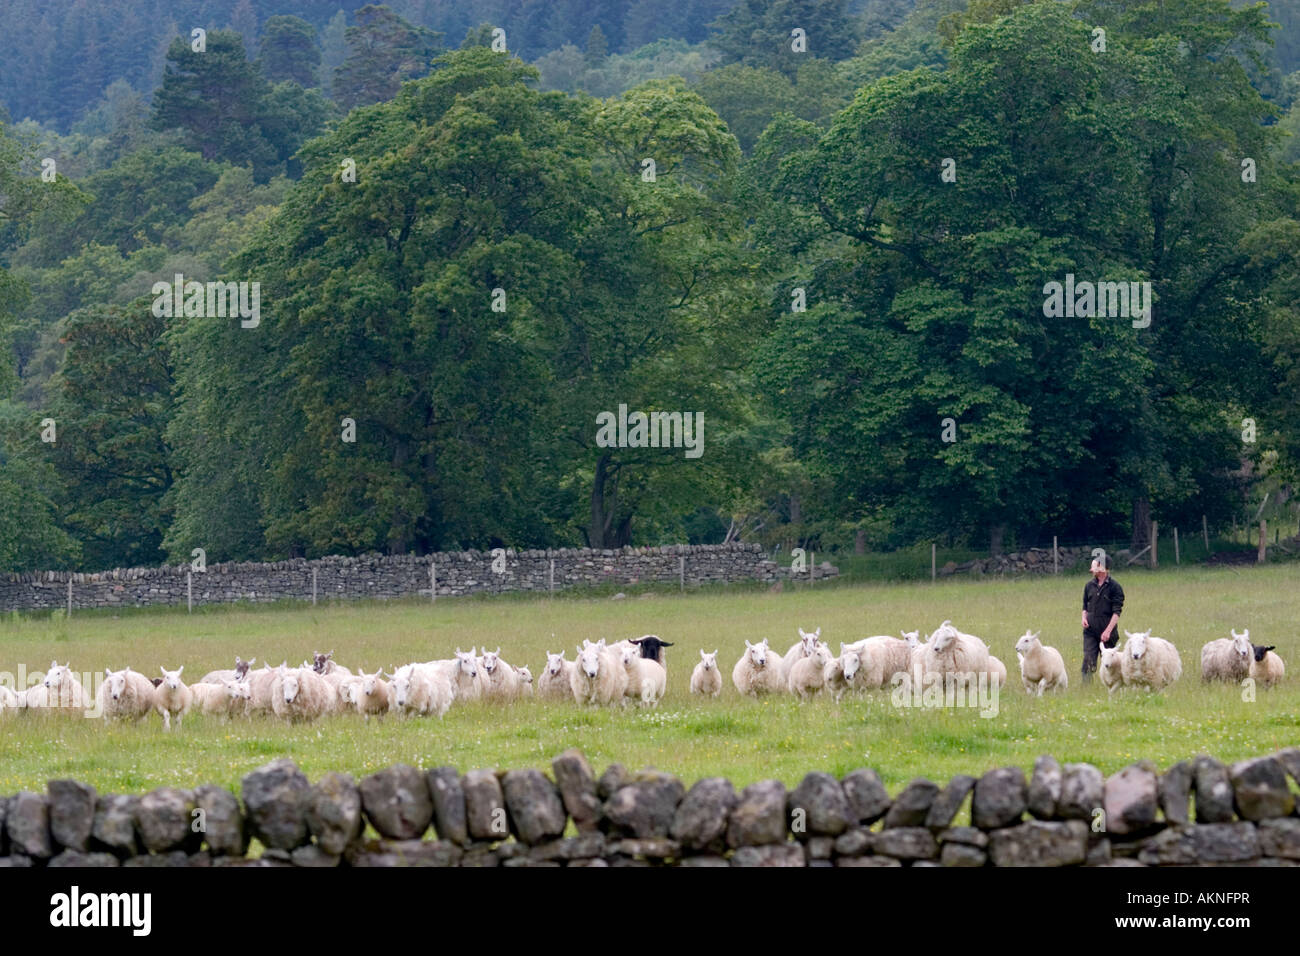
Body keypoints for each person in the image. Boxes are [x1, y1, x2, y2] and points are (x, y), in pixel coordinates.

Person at [1081, 555, 1124, 682]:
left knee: (1110, 663)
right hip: (1090, 631)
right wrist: (1084, 618)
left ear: (1102, 568)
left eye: (1093, 566)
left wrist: (1108, 631)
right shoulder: (1089, 586)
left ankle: (1114, 686)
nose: (1091, 569)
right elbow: (1085, 605)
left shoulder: (1115, 587)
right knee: (1088, 660)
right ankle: (1086, 689)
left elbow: (1117, 612)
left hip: (1107, 632)